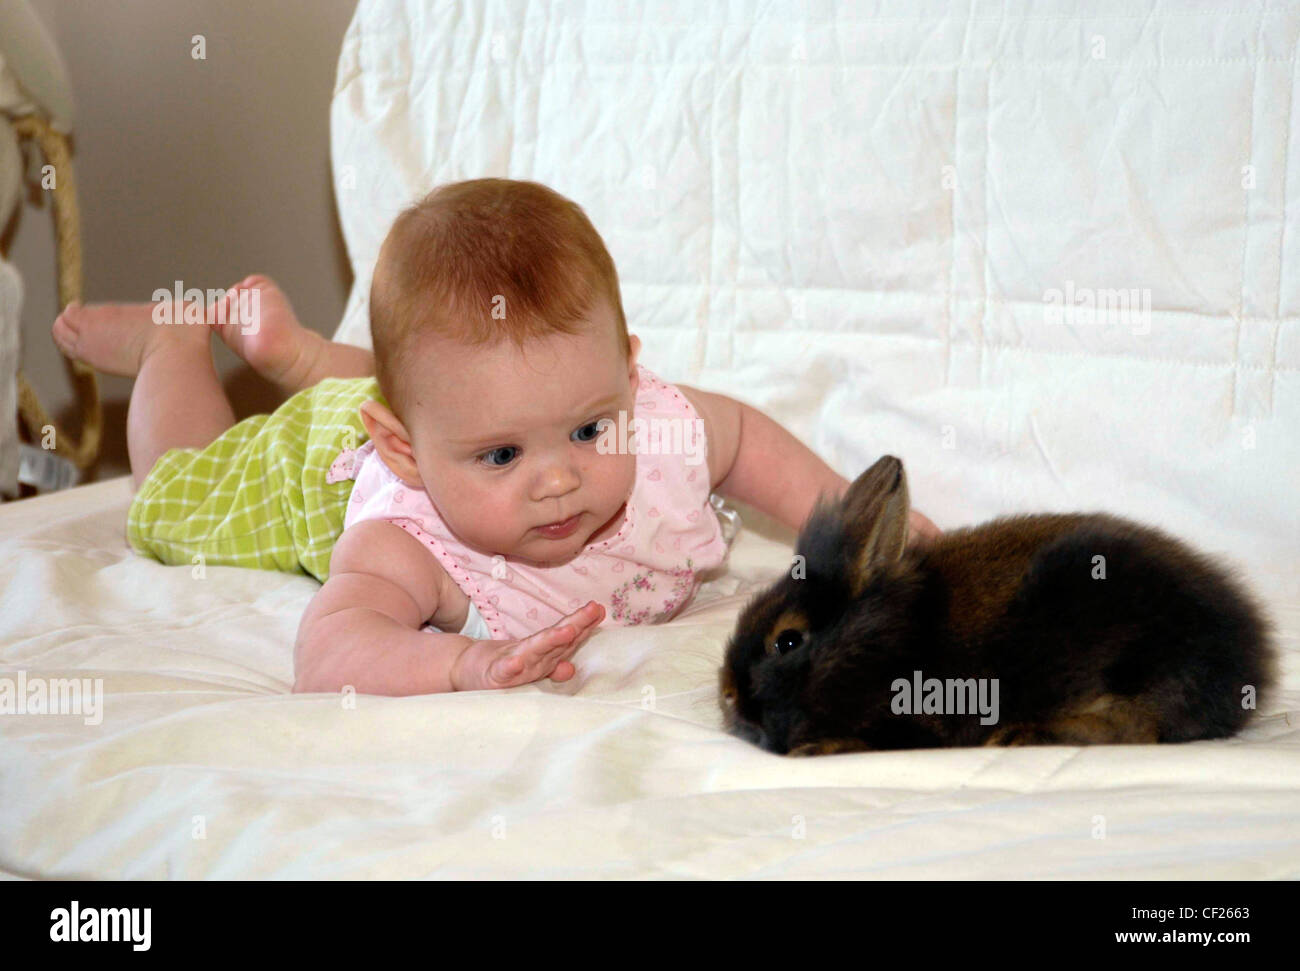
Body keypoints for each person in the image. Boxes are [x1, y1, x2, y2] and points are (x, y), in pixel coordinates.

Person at [52, 178, 941, 696]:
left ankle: (306, 354)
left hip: (430, 413)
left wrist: (864, 529)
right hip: (306, 469)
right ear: (403, 451)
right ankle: (168, 343)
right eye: (506, 457)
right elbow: (328, 650)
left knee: (464, 388)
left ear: (628, 377)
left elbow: (743, 440)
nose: (557, 480)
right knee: (175, 492)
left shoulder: (651, 422)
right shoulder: (409, 539)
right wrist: (464, 662)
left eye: (589, 428)